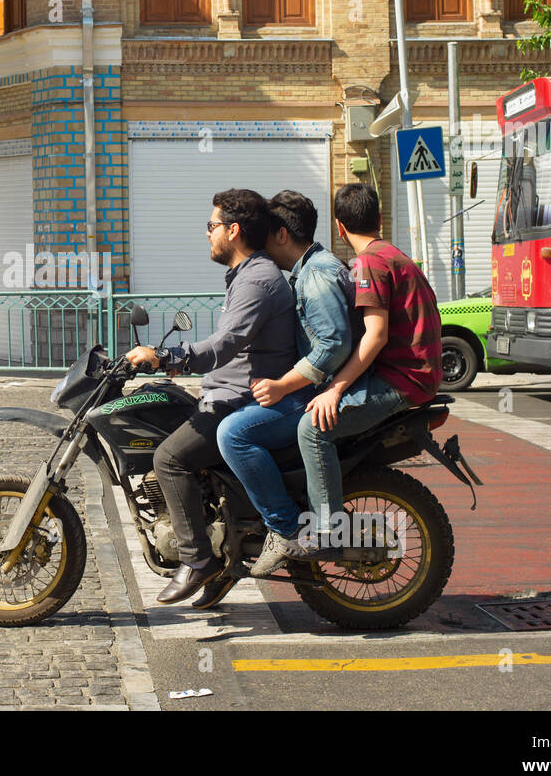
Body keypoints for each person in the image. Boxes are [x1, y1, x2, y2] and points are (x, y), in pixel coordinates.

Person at [124, 189, 296, 607]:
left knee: (169, 458)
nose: (207, 234)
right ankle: (224, 556)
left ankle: (197, 559)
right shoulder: (247, 275)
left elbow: (226, 343)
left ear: (233, 231)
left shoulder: (256, 280)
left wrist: (166, 356)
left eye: (211, 226)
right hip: (227, 392)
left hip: (241, 400)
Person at [216, 190, 358, 577]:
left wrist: (282, 386)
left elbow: (333, 344)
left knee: (233, 434)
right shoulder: (306, 271)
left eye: (263, 237)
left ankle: (284, 528)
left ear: (281, 235)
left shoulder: (316, 276)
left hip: (317, 392)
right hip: (312, 388)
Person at [296, 183, 441, 546]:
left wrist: (336, 389)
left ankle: (329, 530)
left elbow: (375, 336)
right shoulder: (393, 255)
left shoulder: (369, 263)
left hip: (403, 380)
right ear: (379, 219)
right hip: (415, 374)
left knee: (312, 429)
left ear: (339, 228)